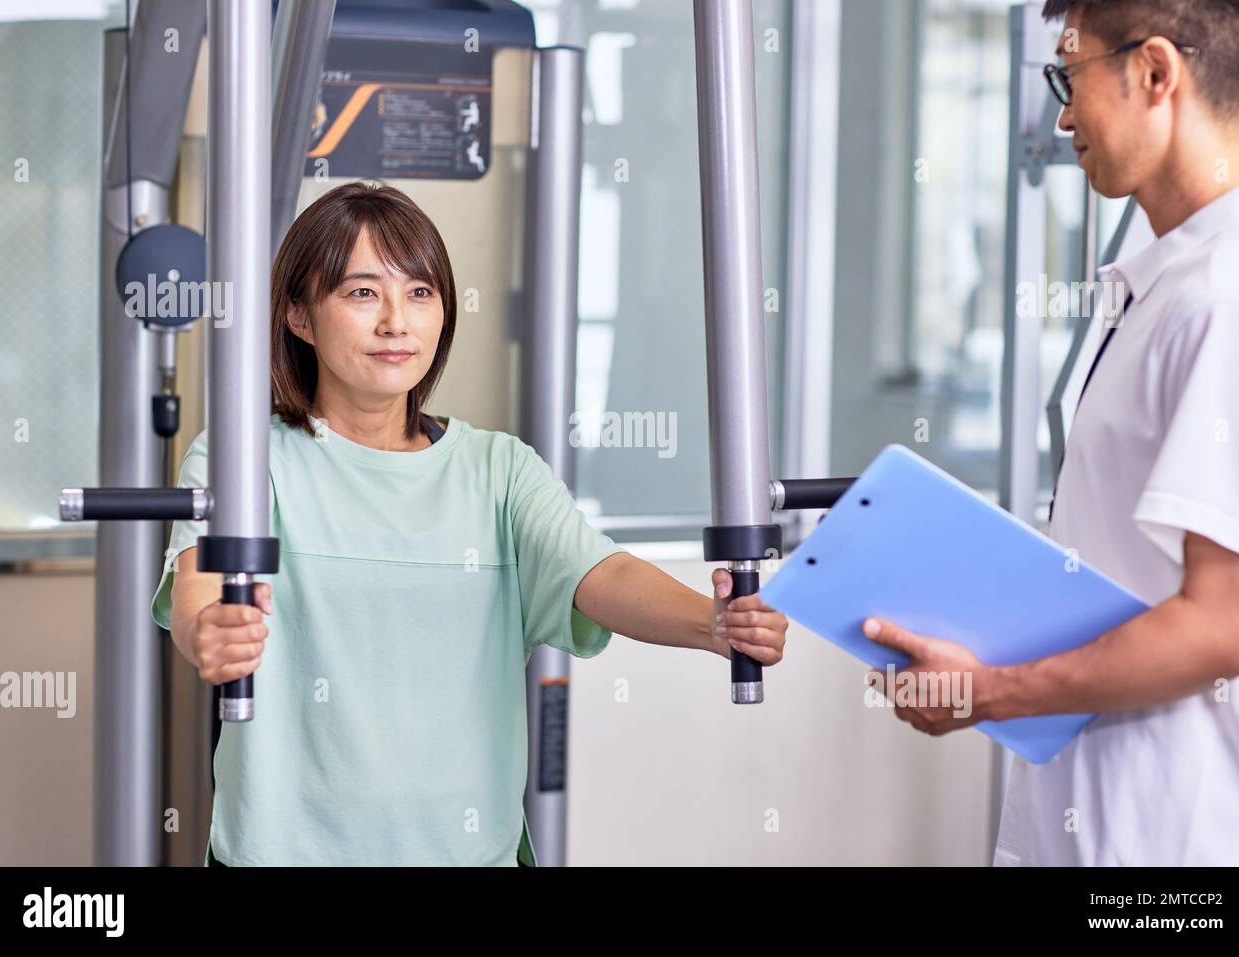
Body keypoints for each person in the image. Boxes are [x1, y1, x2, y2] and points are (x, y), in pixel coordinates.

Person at [150, 181, 788, 866]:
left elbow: (600, 571)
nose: (397, 321)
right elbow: (202, 592)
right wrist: (208, 630)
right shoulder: (243, 456)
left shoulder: (498, 469)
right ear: (299, 316)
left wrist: (713, 622)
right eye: (362, 292)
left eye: (420, 292)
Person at [862, 0, 1239, 865]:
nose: (1061, 114)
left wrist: (993, 690)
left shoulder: (1230, 297)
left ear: (1155, 72)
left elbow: (1232, 623)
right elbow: (1131, 568)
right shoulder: (1164, 286)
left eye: (1068, 74)